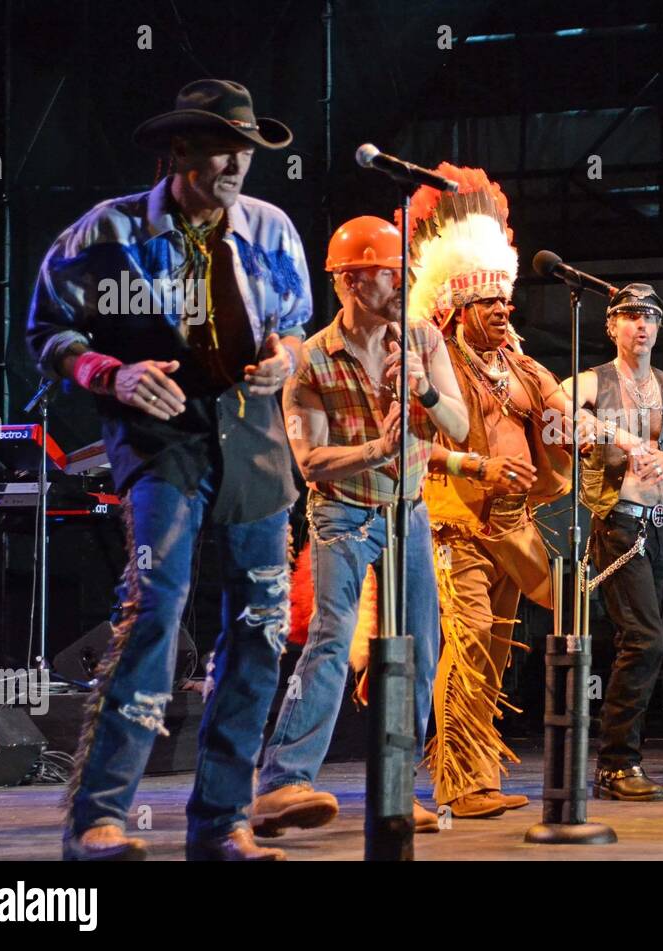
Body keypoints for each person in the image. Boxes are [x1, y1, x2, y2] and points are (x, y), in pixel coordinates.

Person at [27, 80, 310, 861]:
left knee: (258, 624)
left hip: (254, 437)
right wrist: (106, 374)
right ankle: (99, 817)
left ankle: (223, 819)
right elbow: (48, 329)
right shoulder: (108, 231)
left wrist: (283, 359)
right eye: (222, 145)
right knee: (156, 606)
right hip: (163, 439)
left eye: (246, 147)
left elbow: (293, 329)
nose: (237, 162)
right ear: (176, 150)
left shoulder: (272, 230)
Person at [251, 215, 468, 838]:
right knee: (331, 637)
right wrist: (379, 448)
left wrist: (423, 392)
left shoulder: (423, 341)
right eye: (387, 273)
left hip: (408, 511)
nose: (402, 283)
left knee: (421, 646)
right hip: (343, 513)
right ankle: (282, 782)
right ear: (349, 281)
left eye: (403, 272)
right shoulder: (313, 360)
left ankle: (396, 788)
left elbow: (456, 427)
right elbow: (312, 464)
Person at [404, 165, 573, 818]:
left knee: (496, 647)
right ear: (460, 308)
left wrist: (610, 437)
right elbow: (421, 445)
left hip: (512, 527)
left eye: (507, 301)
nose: (504, 310)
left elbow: (562, 412)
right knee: (468, 637)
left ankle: (474, 773)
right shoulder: (439, 366)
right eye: (490, 303)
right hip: (453, 523)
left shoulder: (523, 366)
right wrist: (477, 466)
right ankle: (453, 779)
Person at [565, 283, 663, 801]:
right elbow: (554, 411)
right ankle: (616, 766)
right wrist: (619, 436)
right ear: (612, 326)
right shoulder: (595, 380)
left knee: (643, 643)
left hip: (659, 530)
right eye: (630, 316)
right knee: (645, 641)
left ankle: (623, 761)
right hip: (617, 525)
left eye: (650, 317)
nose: (641, 325)